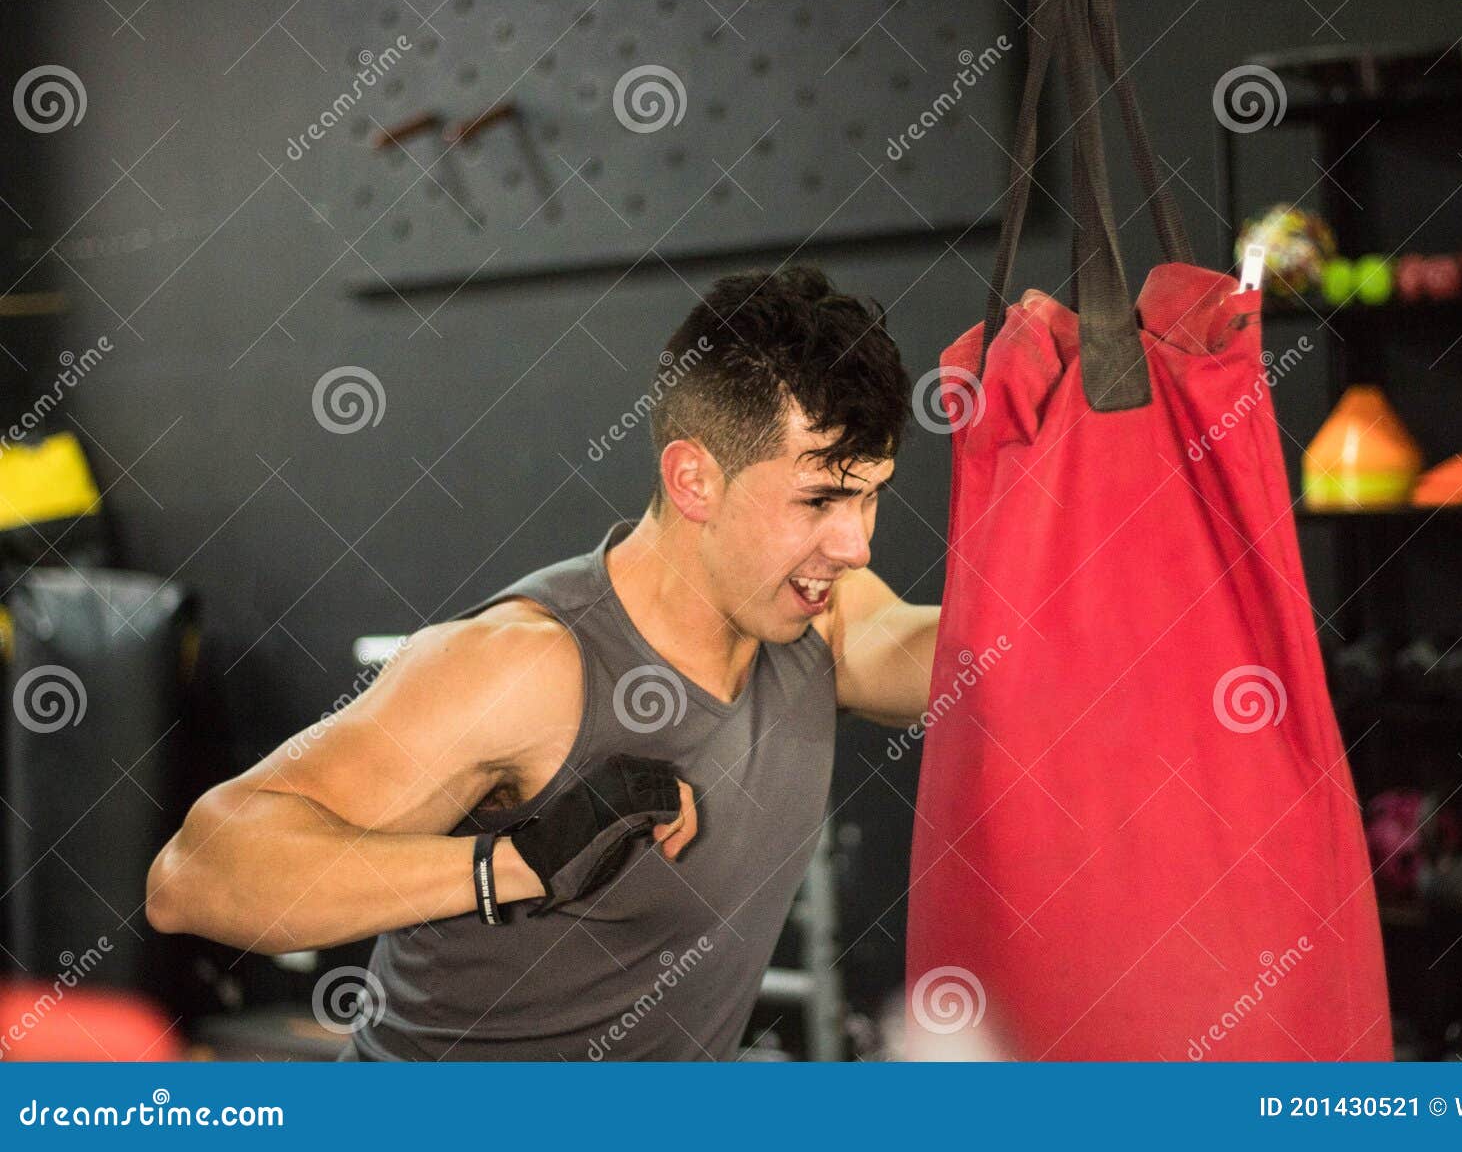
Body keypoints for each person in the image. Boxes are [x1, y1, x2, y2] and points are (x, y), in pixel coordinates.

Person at [146, 265, 941, 1060]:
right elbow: (193, 876)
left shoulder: (824, 616)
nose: (855, 543)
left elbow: (954, 662)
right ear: (694, 479)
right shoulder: (527, 667)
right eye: (819, 500)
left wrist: (1061, 444)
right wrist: (513, 861)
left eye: (869, 494)